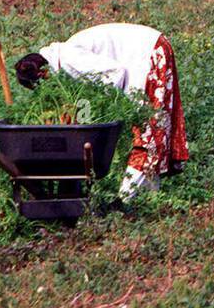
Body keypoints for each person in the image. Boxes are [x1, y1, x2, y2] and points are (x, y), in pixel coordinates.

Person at [14, 22, 188, 201]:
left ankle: (124, 201)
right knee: (151, 131)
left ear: (43, 74)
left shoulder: (69, 58)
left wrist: (104, 111)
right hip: (149, 50)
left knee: (147, 134)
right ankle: (149, 200)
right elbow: (89, 88)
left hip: (149, 54)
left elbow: (115, 73)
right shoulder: (61, 59)